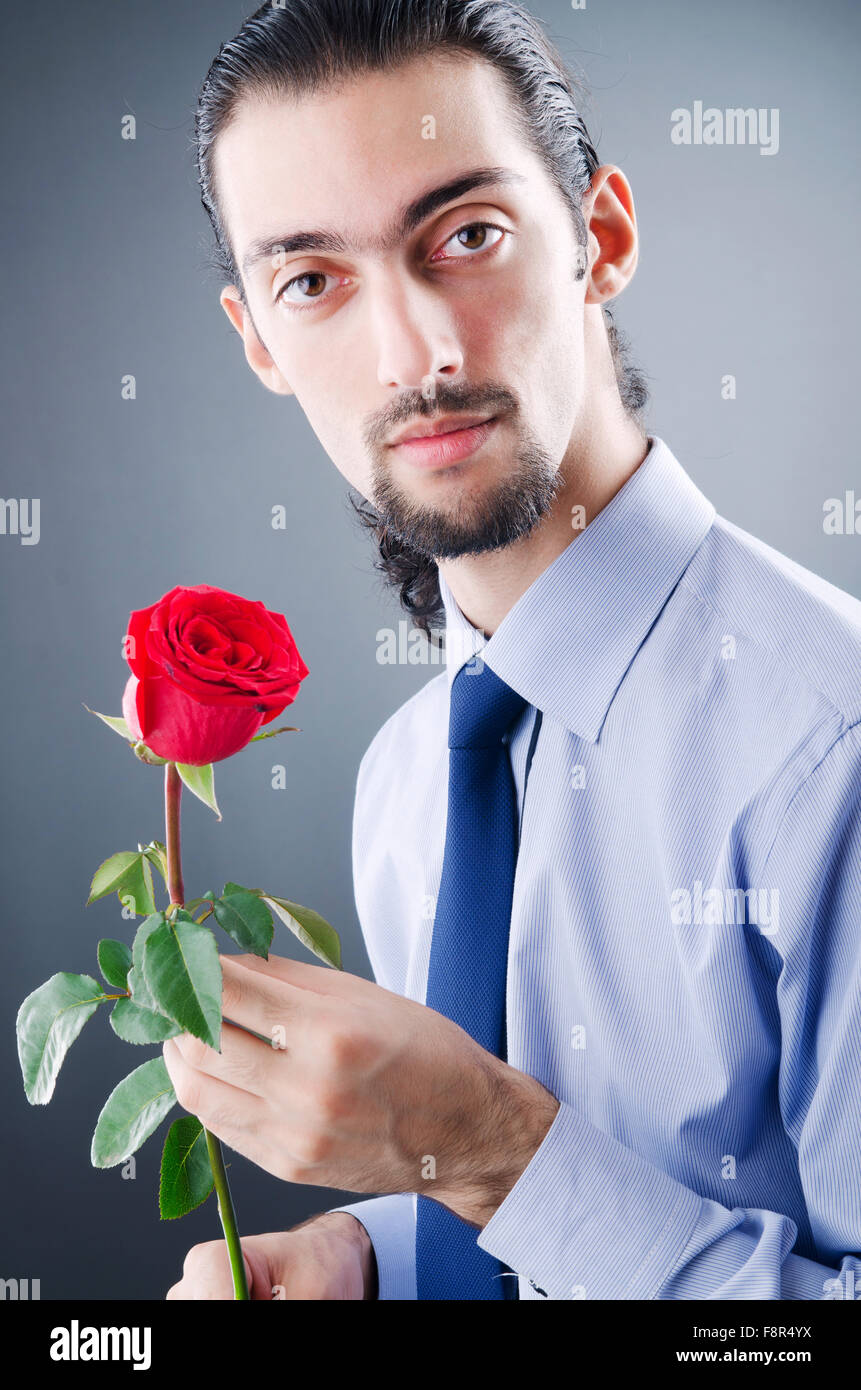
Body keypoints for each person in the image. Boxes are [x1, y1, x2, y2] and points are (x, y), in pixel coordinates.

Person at [164, 0, 861, 1300]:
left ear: (600, 236)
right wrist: (369, 1247)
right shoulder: (403, 782)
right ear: (258, 337)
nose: (412, 353)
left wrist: (488, 1151)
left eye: (467, 235)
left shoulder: (833, 752)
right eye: (312, 280)